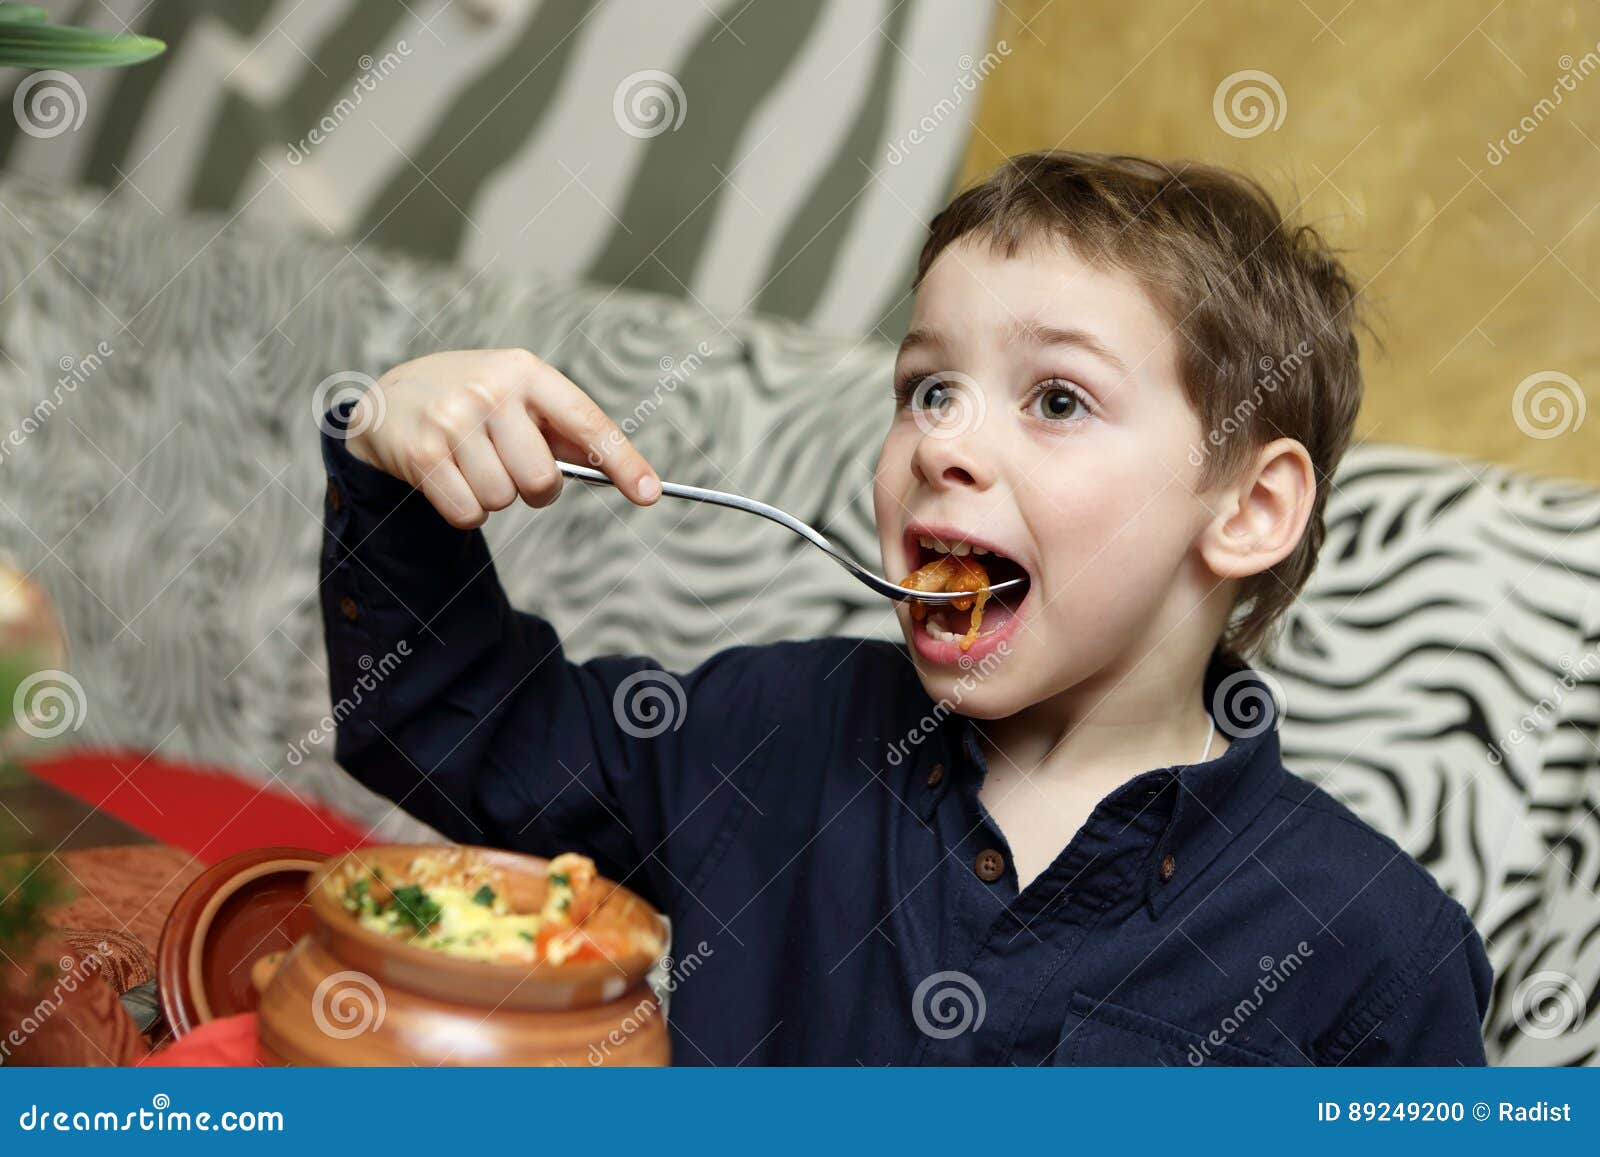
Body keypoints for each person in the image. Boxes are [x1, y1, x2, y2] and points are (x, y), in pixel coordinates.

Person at [317, 151, 1491, 1065]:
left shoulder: (1378, 947)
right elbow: (450, 722)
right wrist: (388, 453)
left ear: (1246, 506)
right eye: (929, 385)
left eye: (1058, 397)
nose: (943, 441)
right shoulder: (770, 730)